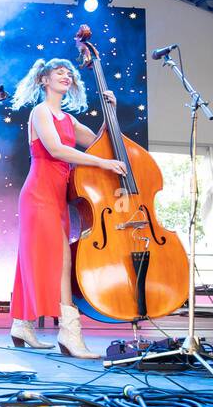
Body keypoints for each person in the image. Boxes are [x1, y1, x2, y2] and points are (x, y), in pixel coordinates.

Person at [8, 58, 127, 357]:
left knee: (33, 258)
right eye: (58, 72)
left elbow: (101, 143)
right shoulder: (40, 112)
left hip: (57, 196)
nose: (66, 75)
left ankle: (22, 324)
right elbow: (56, 149)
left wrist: (110, 113)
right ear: (44, 80)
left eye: (69, 73)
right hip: (38, 193)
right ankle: (70, 334)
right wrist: (102, 163)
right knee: (61, 260)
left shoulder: (69, 120)